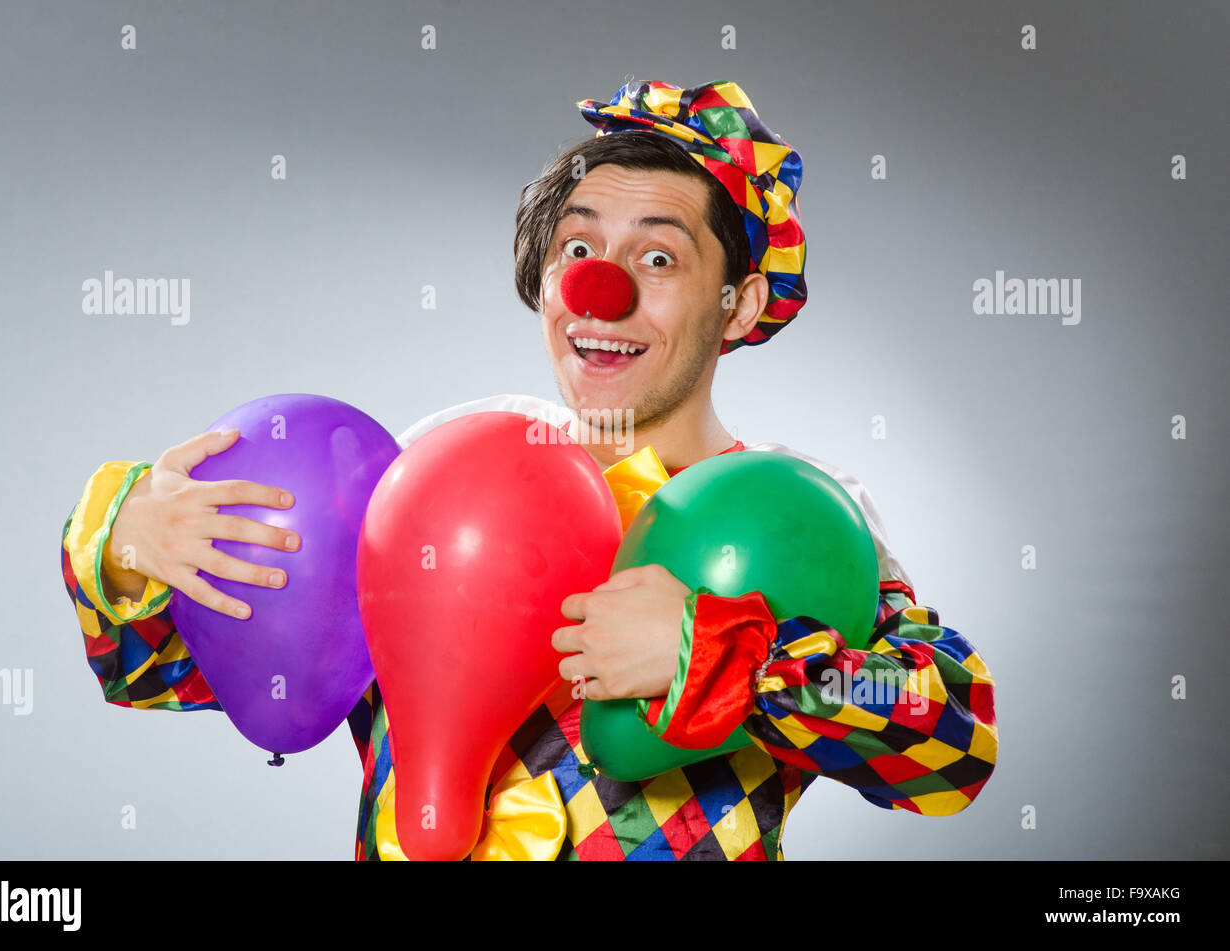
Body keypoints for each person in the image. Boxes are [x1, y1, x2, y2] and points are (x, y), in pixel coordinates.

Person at [61, 79, 997, 860]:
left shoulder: (795, 525)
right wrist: (134, 545)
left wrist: (725, 661)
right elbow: (173, 676)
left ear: (739, 301)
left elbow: (953, 737)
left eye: (658, 255)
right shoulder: (427, 481)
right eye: (577, 248)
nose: (601, 287)